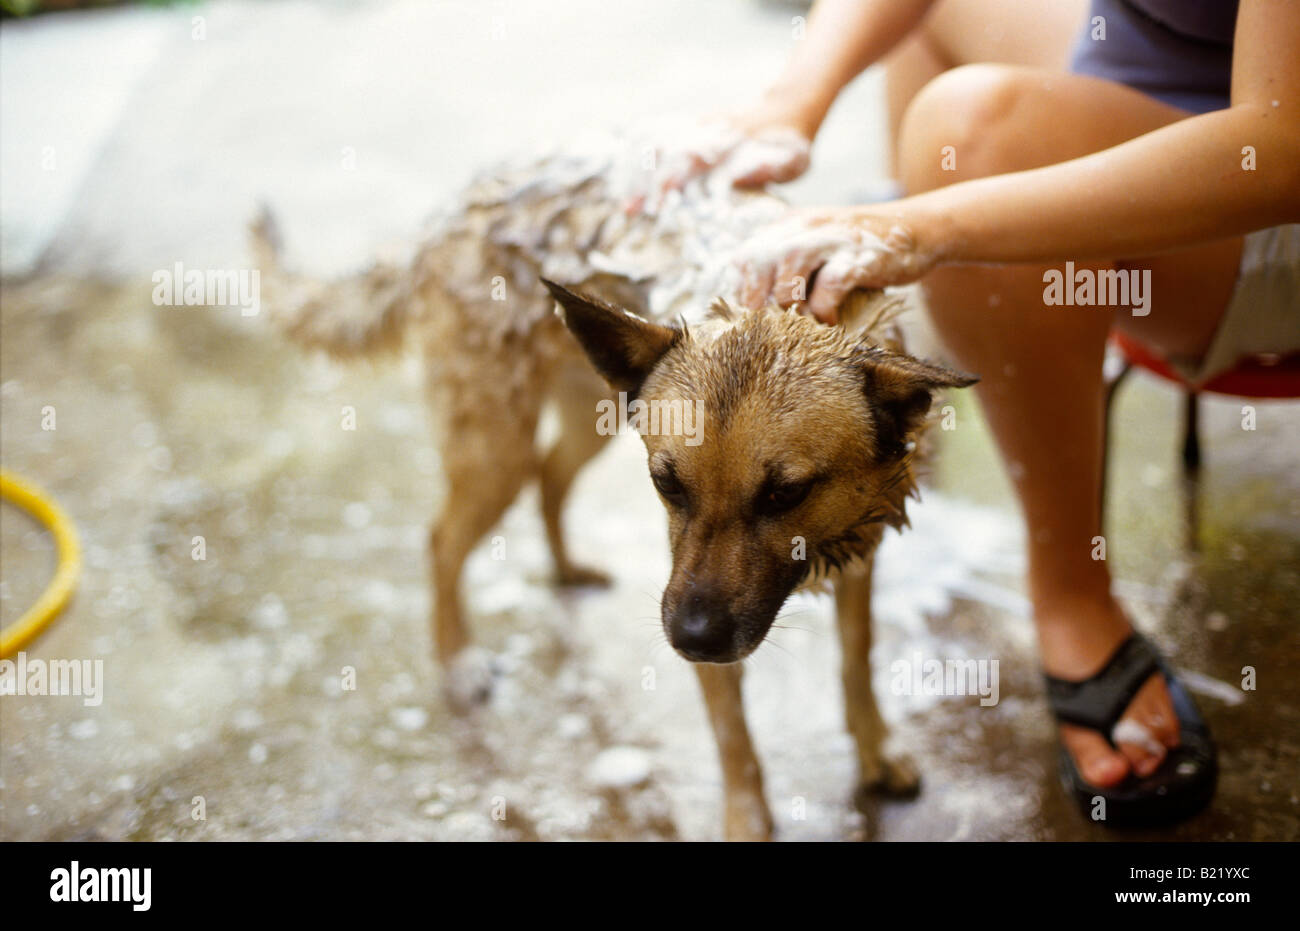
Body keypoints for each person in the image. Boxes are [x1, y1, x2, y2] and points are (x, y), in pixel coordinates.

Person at [648, 0, 1299, 823]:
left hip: (1270, 180)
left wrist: (928, 225)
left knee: (967, 134)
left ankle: (1071, 594)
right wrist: (794, 102)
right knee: (925, 21)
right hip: (1160, 72)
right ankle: (939, 319)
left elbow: (1279, 150)